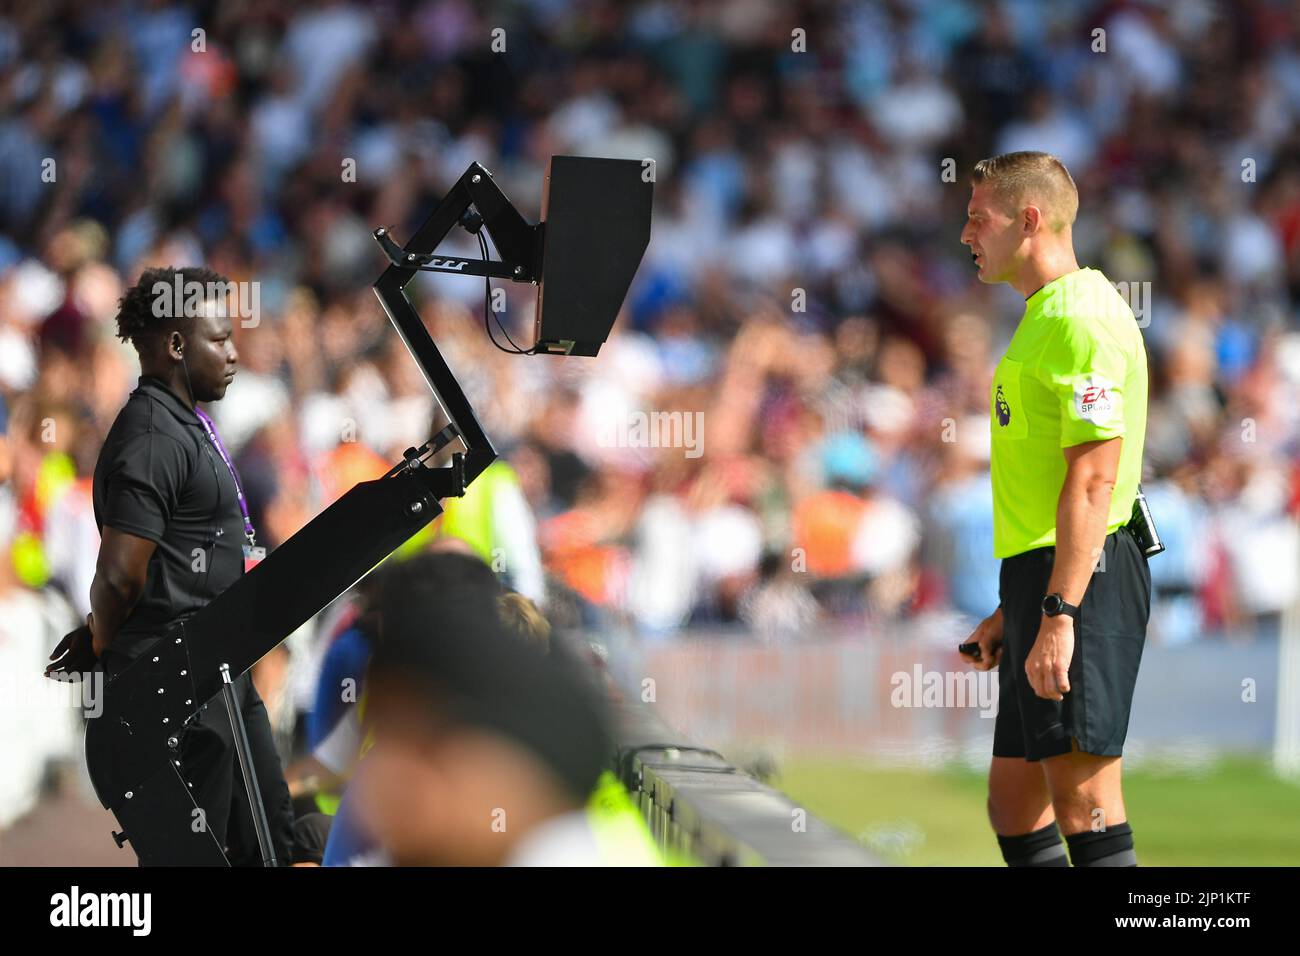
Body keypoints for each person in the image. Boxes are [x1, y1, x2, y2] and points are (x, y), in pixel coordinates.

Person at [46, 265, 295, 866]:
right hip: (175, 690)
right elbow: (120, 574)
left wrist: (95, 635)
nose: (234, 354)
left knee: (269, 843)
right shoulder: (152, 434)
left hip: (212, 676)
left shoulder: (186, 423)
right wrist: (103, 641)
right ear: (177, 345)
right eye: (220, 339)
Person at [957, 152, 1151, 867]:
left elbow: (1096, 483)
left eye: (979, 217)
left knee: (1088, 805)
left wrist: (1061, 612)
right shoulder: (1044, 316)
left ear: (1029, 220)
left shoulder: (1083, 318)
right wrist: (1019, 611)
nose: (966, 233)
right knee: (1013, 803)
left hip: (1085, 582)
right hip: (1047, 577)